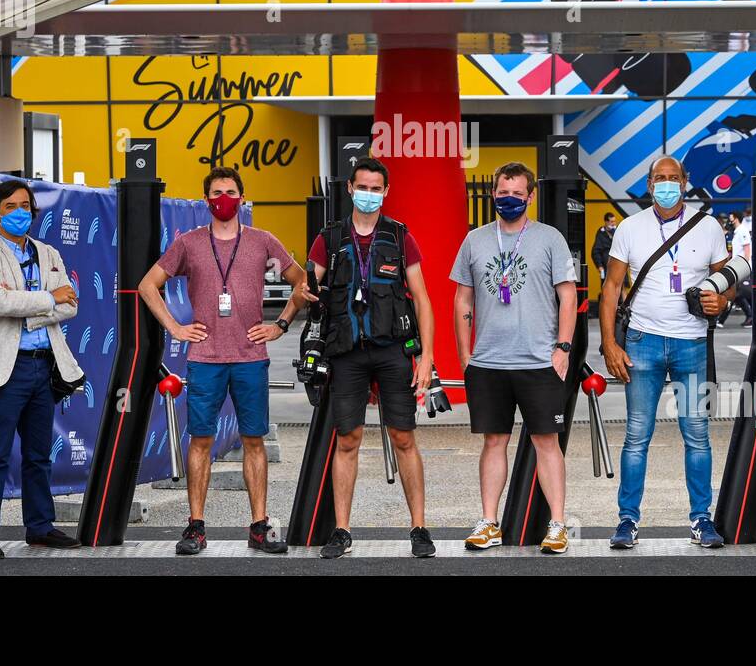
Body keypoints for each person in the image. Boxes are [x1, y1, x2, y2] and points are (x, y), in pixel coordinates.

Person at [138, 166, 310, 556]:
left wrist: (281, 324)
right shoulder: (190, 243)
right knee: (201, 440)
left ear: (242, 197)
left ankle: (260, 527)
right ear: (206, 200)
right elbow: (149, 285)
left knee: (254, 440)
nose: (224, 198)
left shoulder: (263, 240)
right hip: (205, 357)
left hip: (250, 356)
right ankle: (196, 527)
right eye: (217, 192)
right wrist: (175, 328)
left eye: (231, 191)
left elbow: (302, 281)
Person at [598, 155, 731, 550]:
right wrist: (609, 343)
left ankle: (701, 520)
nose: (668, 184)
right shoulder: (630, 228)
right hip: (642, 342)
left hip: (691, 344)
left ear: (686, 182)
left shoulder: (708, 227)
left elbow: (727, 283)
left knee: (697, 435)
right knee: (637, 435)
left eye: (674, 178)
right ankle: (627, 520)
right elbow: (611, 289)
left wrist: (722, 302)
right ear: (649, 183)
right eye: (660, 178)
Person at [306, 157, 437, 559]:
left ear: (385, 192)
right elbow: (305, 288)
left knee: (403, 438)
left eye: (375, 188)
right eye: (361, 186)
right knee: (348, 440)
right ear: (349, 188)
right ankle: (342, 530)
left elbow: (424, 301)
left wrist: (427, 357)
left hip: (393, 350)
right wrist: (305, 295)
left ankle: (418, 528)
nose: (368, 194)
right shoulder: (328, 238)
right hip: (345, 353)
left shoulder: (400, 237)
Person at [452, 162, 578, 555]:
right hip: (489, 362)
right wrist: (465, 354)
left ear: (530, 196)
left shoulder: (549, 238)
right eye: (502, 193)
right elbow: (463, 298)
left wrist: (563, 348)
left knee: (546, 442)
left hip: (539, 360)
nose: (509, 200)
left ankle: (557, 524)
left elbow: (568, 295)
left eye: (517, 194)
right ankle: (490, 522)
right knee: (494, 441)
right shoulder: (475, 240)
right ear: (493, 193)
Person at [0, 180, 85, 559]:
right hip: (5, 369)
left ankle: (40, 527)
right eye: (11, 206)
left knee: (38, 455)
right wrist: (47, 299)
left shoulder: (48, 253)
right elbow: (0, 303)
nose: (20, 212)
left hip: (43, 368)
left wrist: (29, 306)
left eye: (26, 206)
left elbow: (72, 305)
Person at [723, 209, 754, 328]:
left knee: (739, 292)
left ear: (736, 218)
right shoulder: (737, 232)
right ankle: (750, 316)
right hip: (737, 266)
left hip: (742, 267)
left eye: (730, 218)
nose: (729, 221)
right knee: (739, 294)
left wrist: (744, 266)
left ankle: (721, 319)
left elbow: (747, 251)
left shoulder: (742, 231)